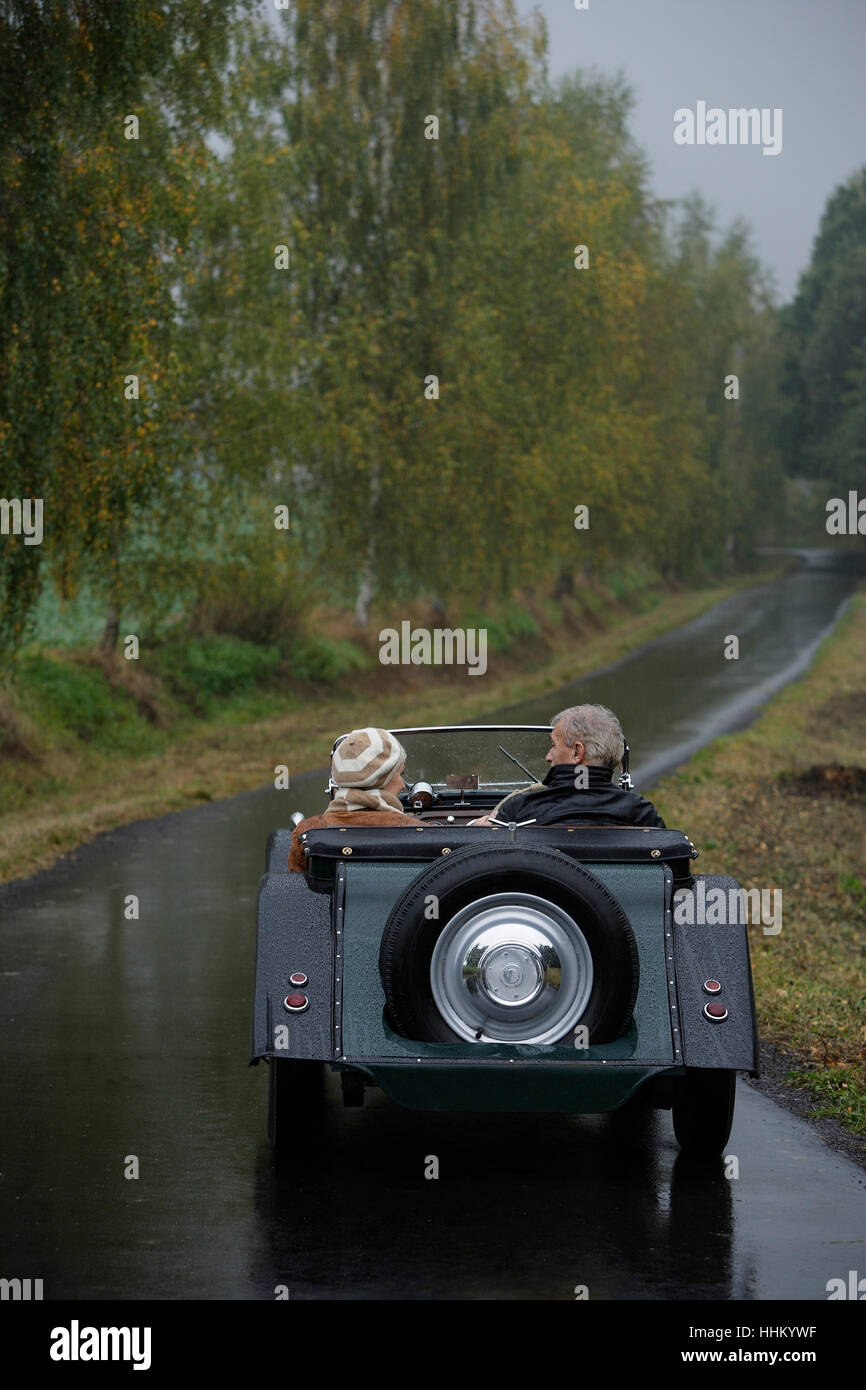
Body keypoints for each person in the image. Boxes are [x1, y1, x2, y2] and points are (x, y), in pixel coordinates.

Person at [471, 704, 666, 829]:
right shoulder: (640, 813)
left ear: (577, 752)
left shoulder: (521, 809)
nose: (548, 757)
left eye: (554, 745)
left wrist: (478, 830)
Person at [288, 727, 423, 871]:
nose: (403, 784)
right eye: (399, 774)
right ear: (382, 778)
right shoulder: (421, 834)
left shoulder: (307, 834)